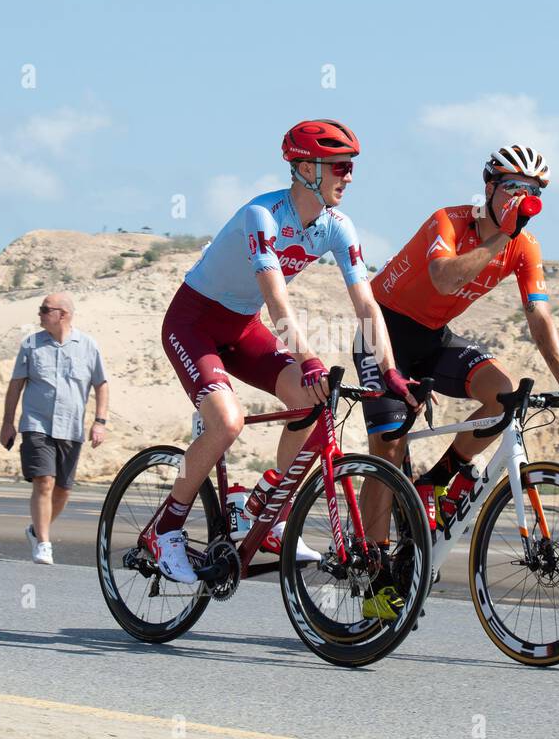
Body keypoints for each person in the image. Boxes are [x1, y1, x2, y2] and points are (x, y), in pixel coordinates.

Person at [144, 119, 416, 583]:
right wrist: (307, 356)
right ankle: (164, 528)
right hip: (194, 323)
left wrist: (390, 370)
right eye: (340, 167)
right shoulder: (263, 215)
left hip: (241, 327)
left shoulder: (337, 227)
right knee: (227, 422)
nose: (348, 177)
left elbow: (366, 302)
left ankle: (267, 505)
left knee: (309, 399)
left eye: (350, 167)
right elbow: (276, 299)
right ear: (306, 168)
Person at [353, 145, 559, 613]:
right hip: (381, 333)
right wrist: (498, 238)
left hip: (432, 338)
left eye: (532, 191)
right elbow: (444, 279)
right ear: (489, 188)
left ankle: (436, 482)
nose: (522, 198)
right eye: (513, 188)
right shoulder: (448, 221)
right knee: (388, 450)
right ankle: (374, 575)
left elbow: (539, 316)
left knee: (505, 396)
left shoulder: (524, 247)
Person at [1, 292, 109, 565]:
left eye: (45, 309)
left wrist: (100, 421)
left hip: (71, 428)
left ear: (63, 315)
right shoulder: (31, 345)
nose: (39, 314)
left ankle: (37, 529)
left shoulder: (88, 346)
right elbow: (16, 385)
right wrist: (7, 422)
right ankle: (44, 544)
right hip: (36, 424)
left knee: (63, 489)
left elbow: (101, 384)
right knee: (44, 481)